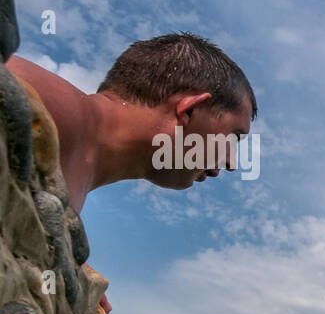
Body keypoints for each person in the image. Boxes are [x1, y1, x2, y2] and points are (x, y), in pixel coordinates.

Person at [6, 33, 257, 215]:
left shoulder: (73, 153)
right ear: (189, 110)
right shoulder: (44, 105)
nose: (230, 163)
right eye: (233, 137)